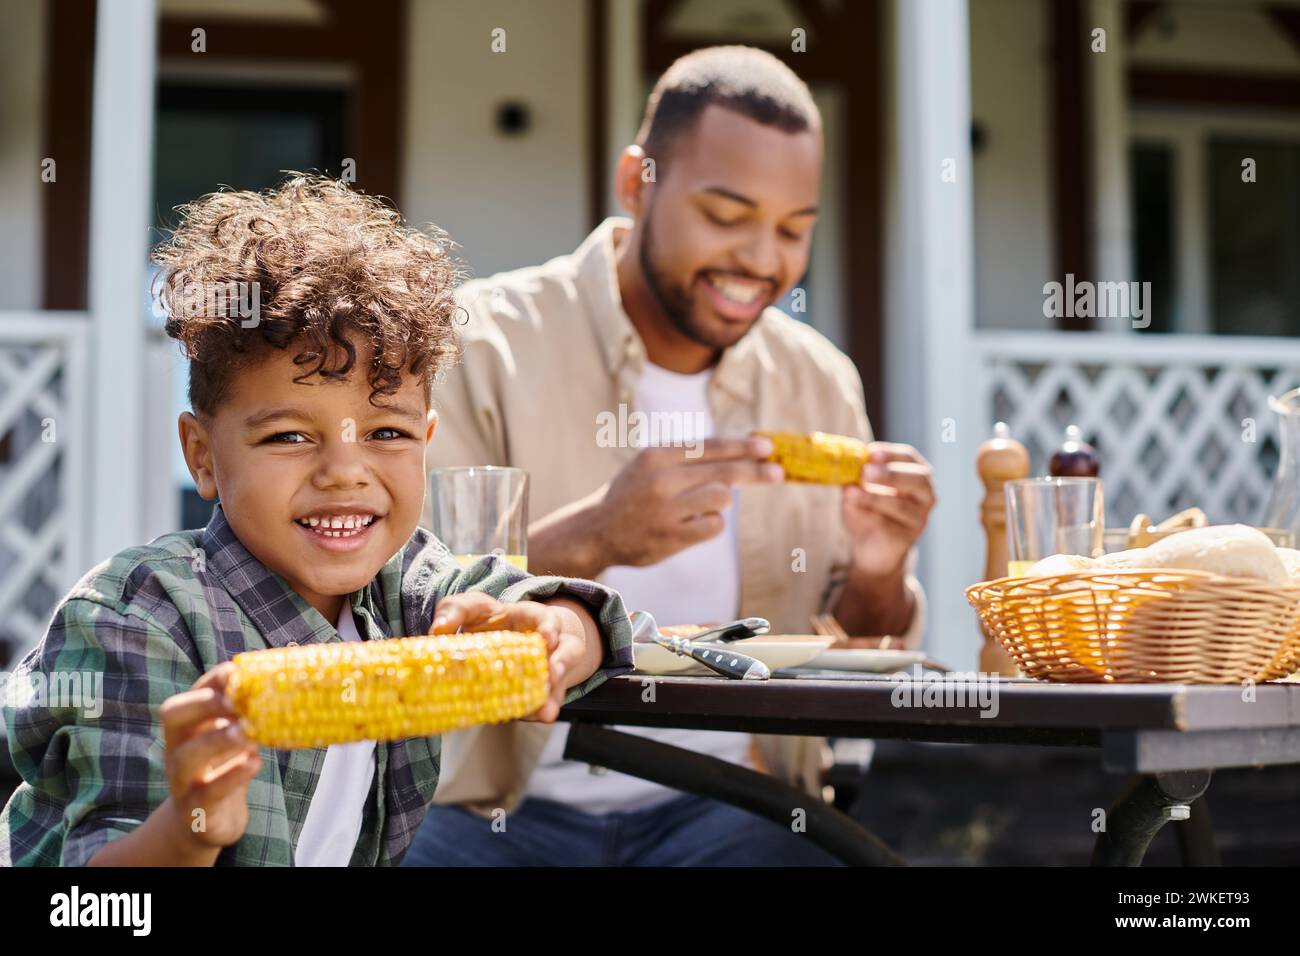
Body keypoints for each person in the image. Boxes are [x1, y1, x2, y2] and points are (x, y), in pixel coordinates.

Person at [0, 176, 632, 866]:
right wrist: (188, 828)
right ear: (202, 457)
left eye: (386, 435)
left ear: (426, 437)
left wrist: (563, 630)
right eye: (290, 438)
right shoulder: (138, 621)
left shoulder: (405, 585)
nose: (344, 472)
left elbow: (532, 601)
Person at [405, 46, 935, 867]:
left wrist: (876, 572)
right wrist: (597, 537)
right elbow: (409, 607)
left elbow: (854, 656)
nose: (763, 261)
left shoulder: (818, 381)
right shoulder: (480, 344)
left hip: (728, 806)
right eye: (727, 215)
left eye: (794, 229)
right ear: (636, 183)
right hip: (490, 809)